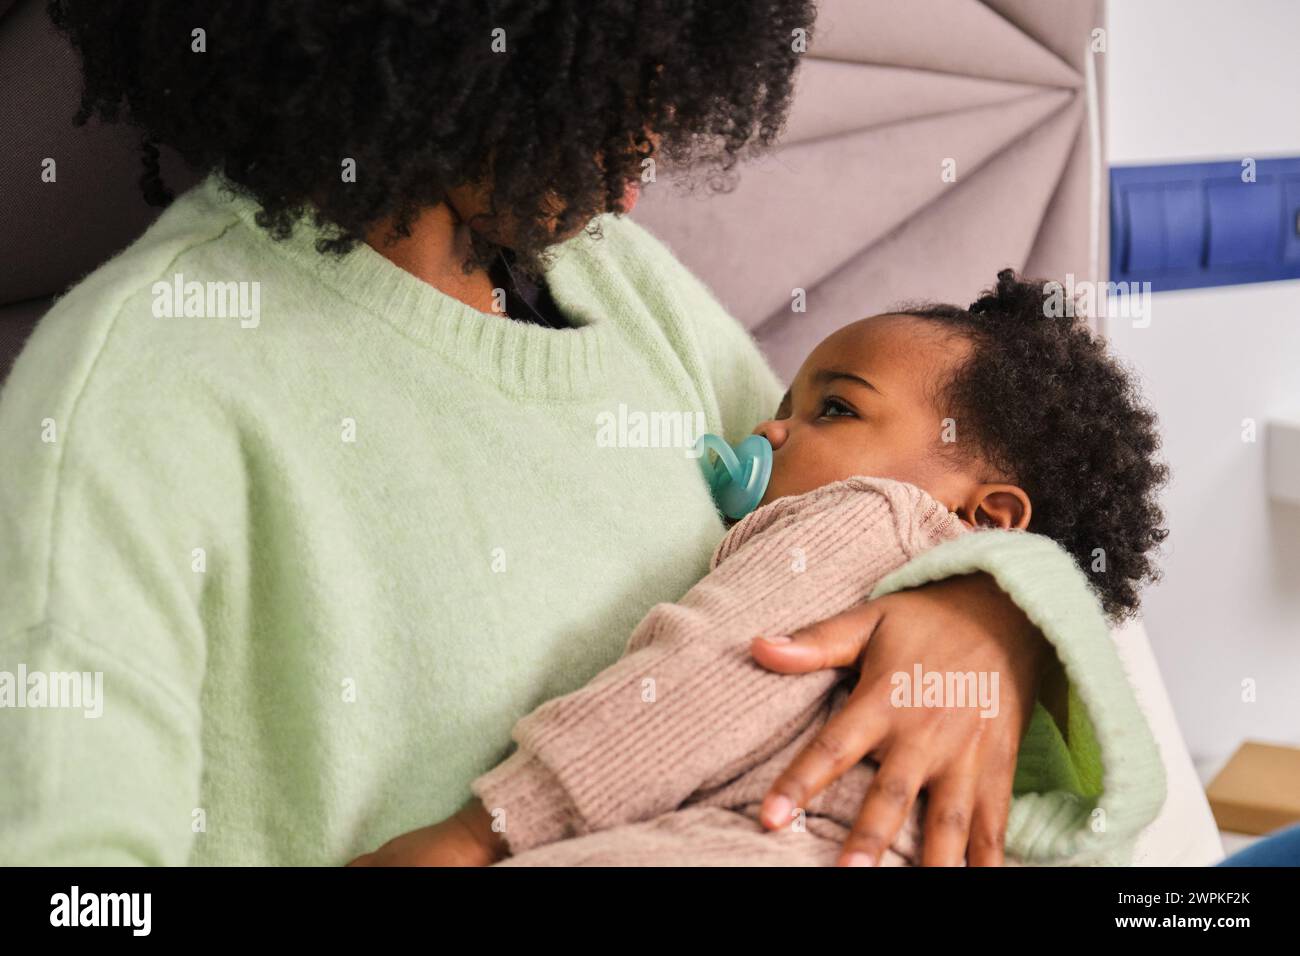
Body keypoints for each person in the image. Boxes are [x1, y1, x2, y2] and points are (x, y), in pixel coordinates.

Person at [0, 1, 1149, 865]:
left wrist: (984, 613)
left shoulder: (614, 282)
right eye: (622, 85)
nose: (649, 147)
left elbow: (870, 515)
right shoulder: (137, 388)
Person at [350, 273, 1169, 867]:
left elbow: (698, 683)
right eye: (782, 409)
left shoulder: (860, 517)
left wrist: (483, 831)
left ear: (982, 517)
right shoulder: (1053, 683)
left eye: (834, 409)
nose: (768, 435)